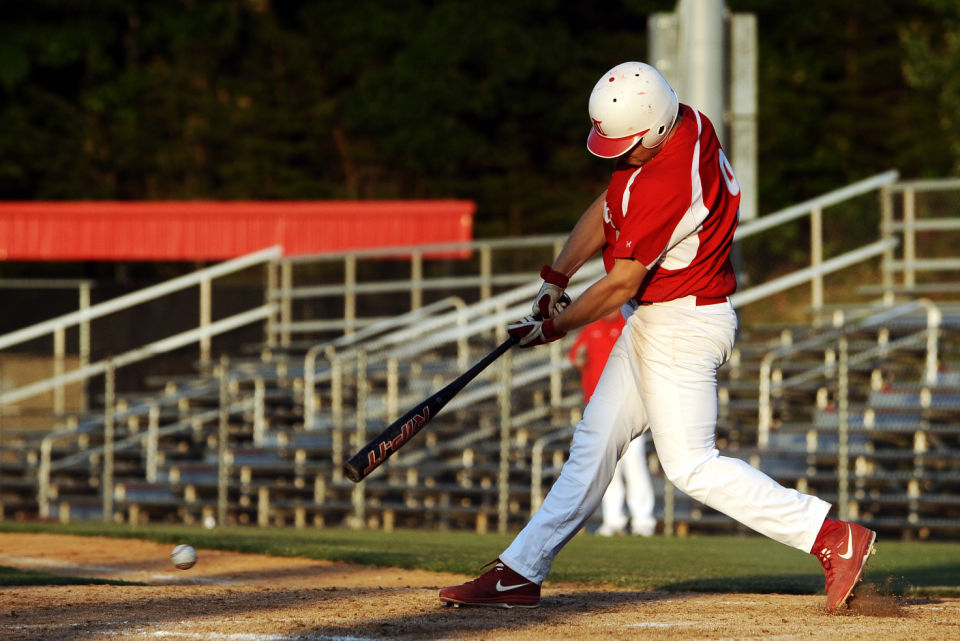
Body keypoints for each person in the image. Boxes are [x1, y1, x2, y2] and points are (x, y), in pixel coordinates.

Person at [439, 61, 875, 612]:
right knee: (594, 447)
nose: (617, 156)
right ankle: (520, 572)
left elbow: (621, 282)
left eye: (626, 146)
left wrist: (553, 328)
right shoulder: (683, 123)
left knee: (691, 465)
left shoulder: (666, 180)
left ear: (656, 127)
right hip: (658, 318)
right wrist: (556, 278)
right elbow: (608, 206)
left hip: (682, 324)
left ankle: (831, 536)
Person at [567, 310, 655, 537]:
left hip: (629, 405)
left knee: (634, 464)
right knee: (607, 466)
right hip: (599, 406)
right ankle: (613, 520)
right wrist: (580, 360)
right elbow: (576, 356)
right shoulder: (592, 326)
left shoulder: (630, 322)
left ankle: (643, 521)